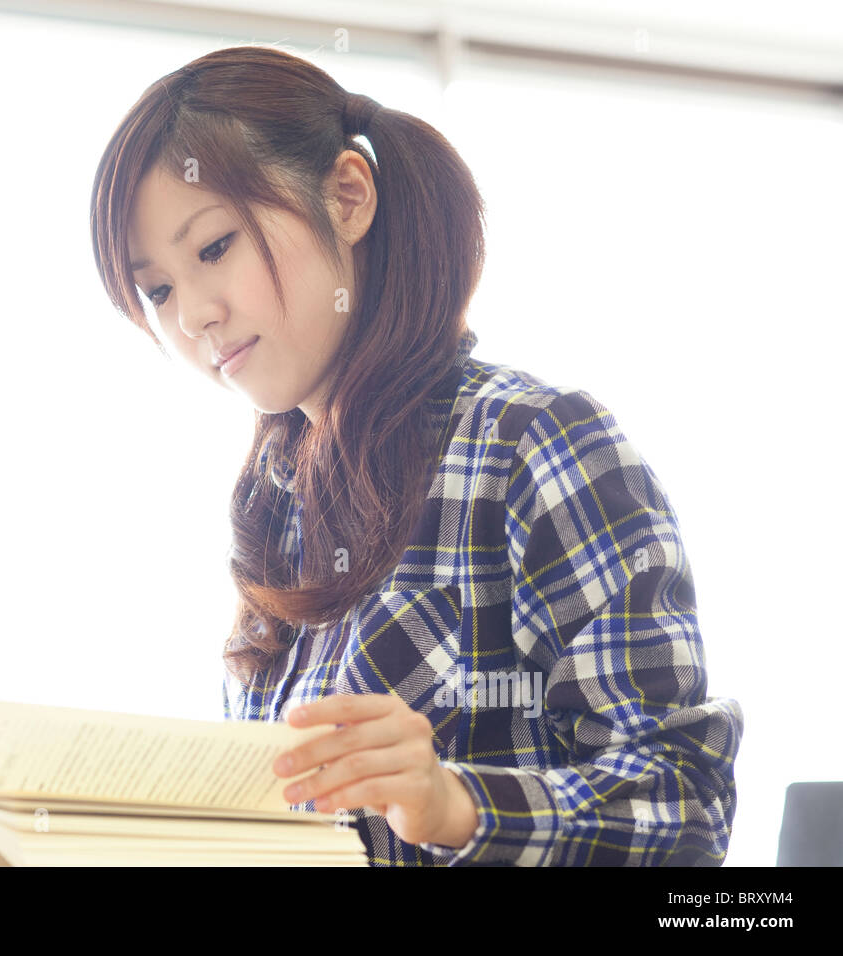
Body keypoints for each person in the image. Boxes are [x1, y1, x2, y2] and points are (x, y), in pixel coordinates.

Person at [88, 44, 742, 866]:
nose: (193, 316)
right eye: (158, 290)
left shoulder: (535, 443)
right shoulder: (272, 502)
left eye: (214, 247)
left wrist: (453, 803)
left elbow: (684, 805)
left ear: (348, 196)